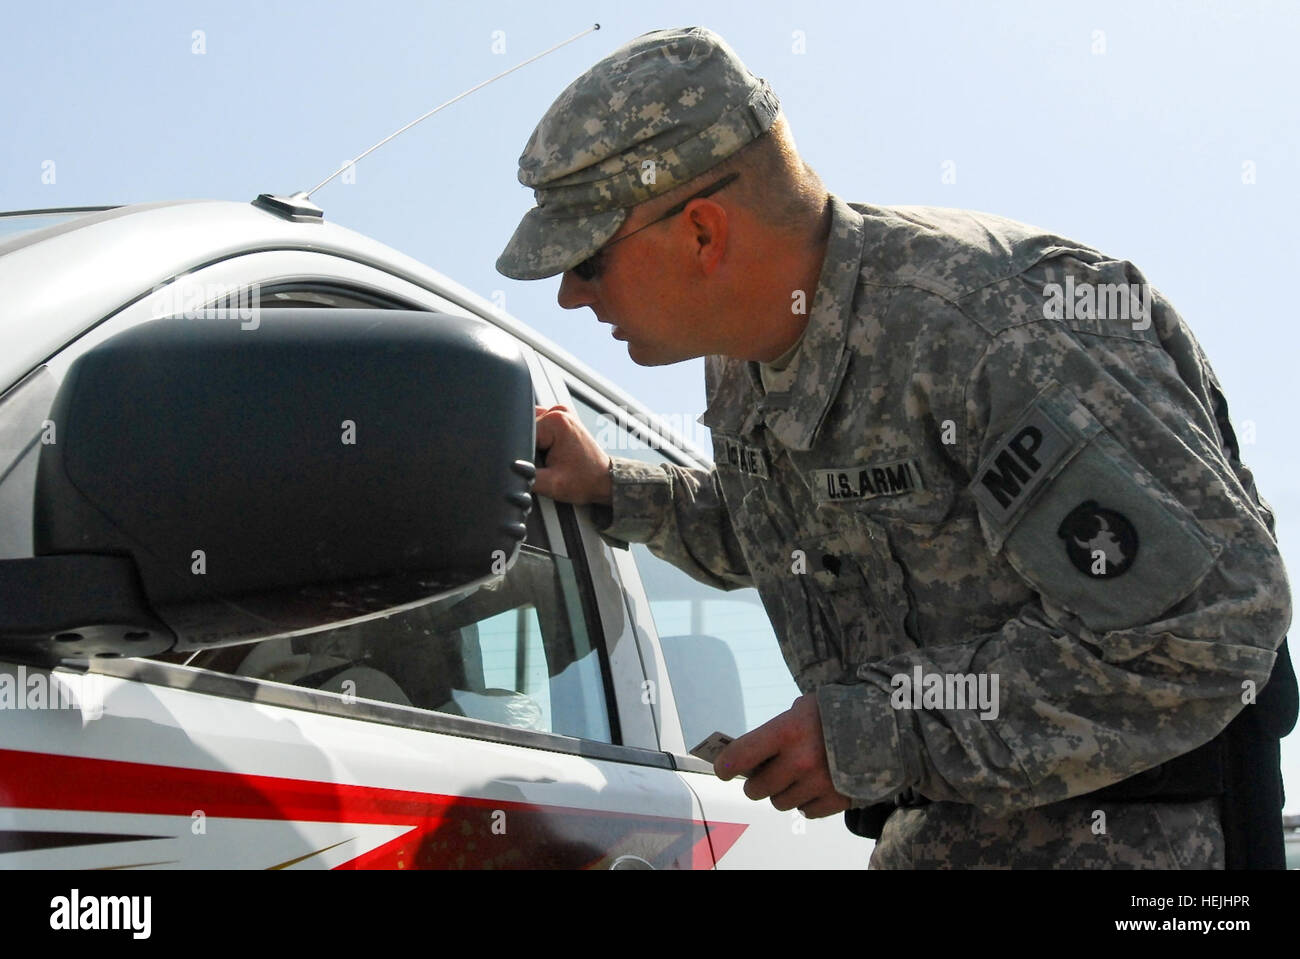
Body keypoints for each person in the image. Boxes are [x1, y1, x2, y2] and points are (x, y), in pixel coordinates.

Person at [495, 25, 1295, 868]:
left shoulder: (1000, 327)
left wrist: (874, 731)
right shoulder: (744, 361)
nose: (569, 294)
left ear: (702, 232)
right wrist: (616, 488)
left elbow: (1209, 627)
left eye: (587, 259)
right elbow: (800, 536)